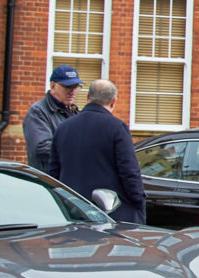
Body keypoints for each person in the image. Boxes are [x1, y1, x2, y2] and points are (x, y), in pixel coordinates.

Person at [52, 79, 145, 223]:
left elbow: (53, 172)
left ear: (88, 98)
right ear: (113, 102)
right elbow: (129, 172)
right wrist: (138, 202)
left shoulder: (64, 127)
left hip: (71, 210)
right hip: (109, 212)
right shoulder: (117, 128)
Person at [21, 64, 80, 178]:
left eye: (75, 87)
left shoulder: (73, 111)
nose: (72, 92)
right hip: (48, 184)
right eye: (68, 87)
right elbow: (42, 148)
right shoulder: (38, 112)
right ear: (53, 86)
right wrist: (78, 151)